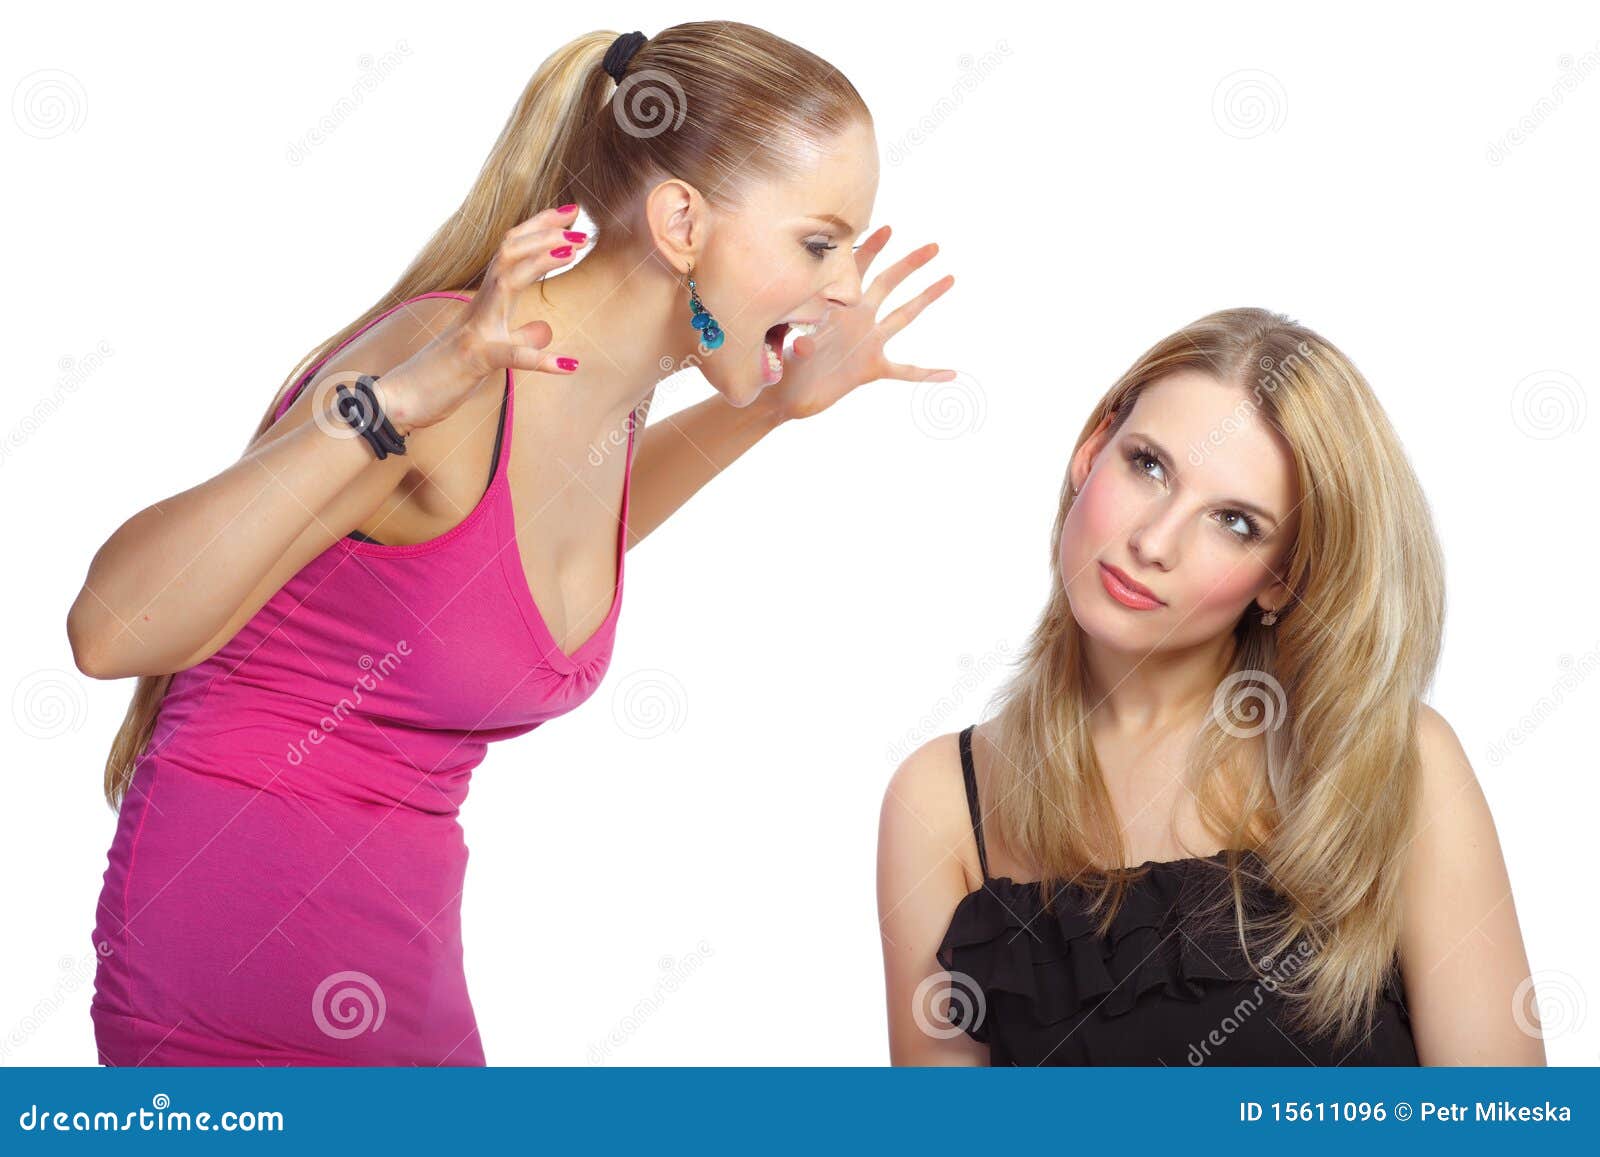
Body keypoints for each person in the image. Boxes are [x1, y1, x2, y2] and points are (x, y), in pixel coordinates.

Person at [70, 22, 955, 1066]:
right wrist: (394, 399)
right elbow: (110, 628)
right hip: (228, 963)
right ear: (680, 220)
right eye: (820, 241)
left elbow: (512, 555)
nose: (847, 284)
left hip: (391, 955)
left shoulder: (600, 404)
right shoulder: (446, 365)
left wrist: (764, 408)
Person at [876, 307, 1543, 1066]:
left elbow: (1504, 1124)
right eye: (1148, 465)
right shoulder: (941, 800)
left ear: (1282, 579)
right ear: (1093, 449)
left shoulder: (1396, 762)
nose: (1153, 542)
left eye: (1234, 521)